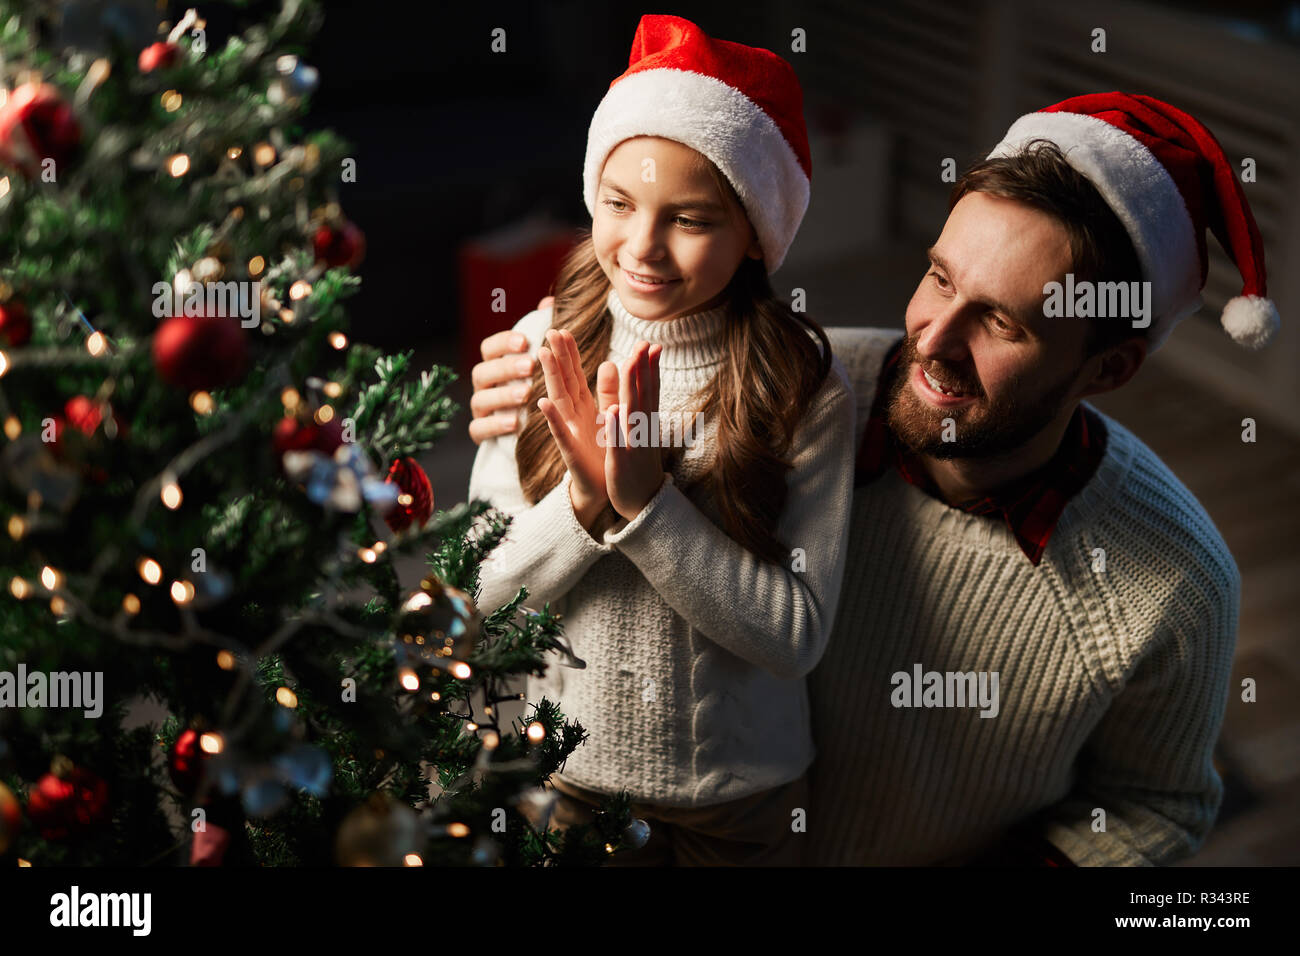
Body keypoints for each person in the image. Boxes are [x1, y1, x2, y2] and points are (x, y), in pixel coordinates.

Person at [469, 91, 1280, 865]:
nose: (933, 342)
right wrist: (519, 380)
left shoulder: (1179, 581)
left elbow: (1162, 808)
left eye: (1002, 321)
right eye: (939, 277)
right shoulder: (798, 393)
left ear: (1109, 368)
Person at [467, 15, 855, 865]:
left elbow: (795, 634)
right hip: (566, 780)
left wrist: (647, 506)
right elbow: (481, 595)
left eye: (690, 218)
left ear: (757, 232)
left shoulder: (806, 392)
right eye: (618, 204)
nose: (642, 247)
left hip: (743, 798)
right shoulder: (538, 351)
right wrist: (584, 505)